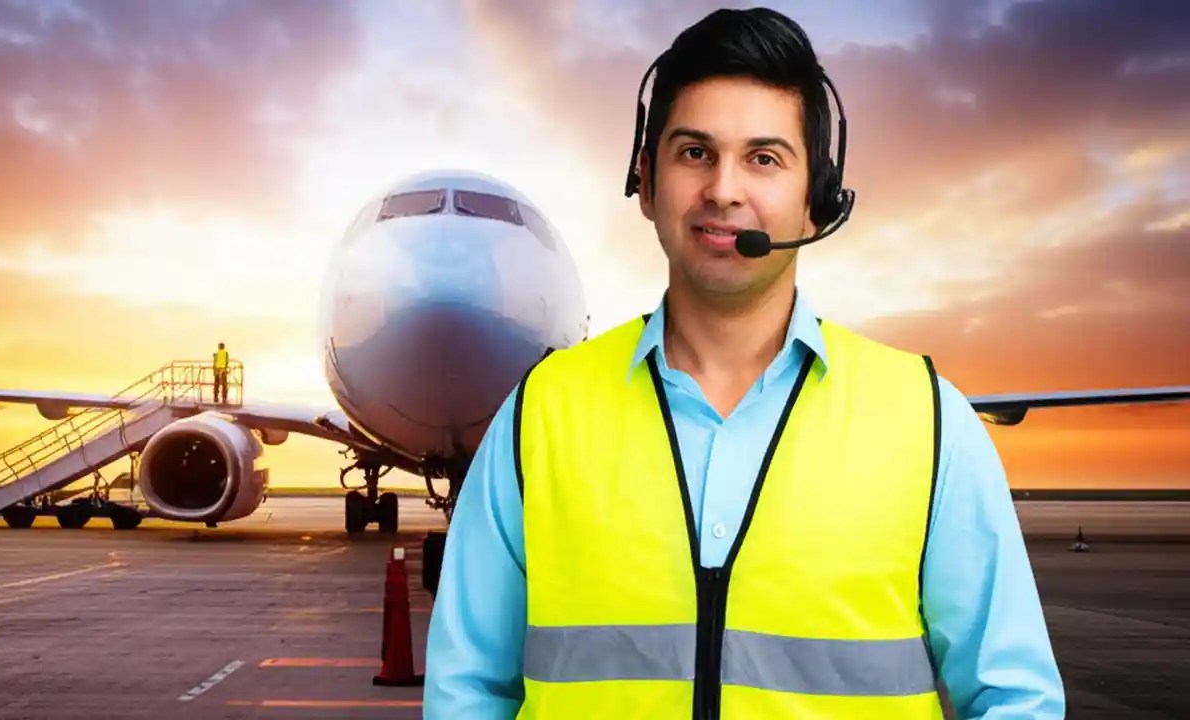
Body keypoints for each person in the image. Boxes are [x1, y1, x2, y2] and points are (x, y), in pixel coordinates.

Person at [424, 7, 1064, 720]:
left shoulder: (927, 420)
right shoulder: (539, 417)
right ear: (646, 179)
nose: (724, 189)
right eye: (695, 152)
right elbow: (466, 692)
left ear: (817, 201)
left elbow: (1015, 699)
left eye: (764, 158)